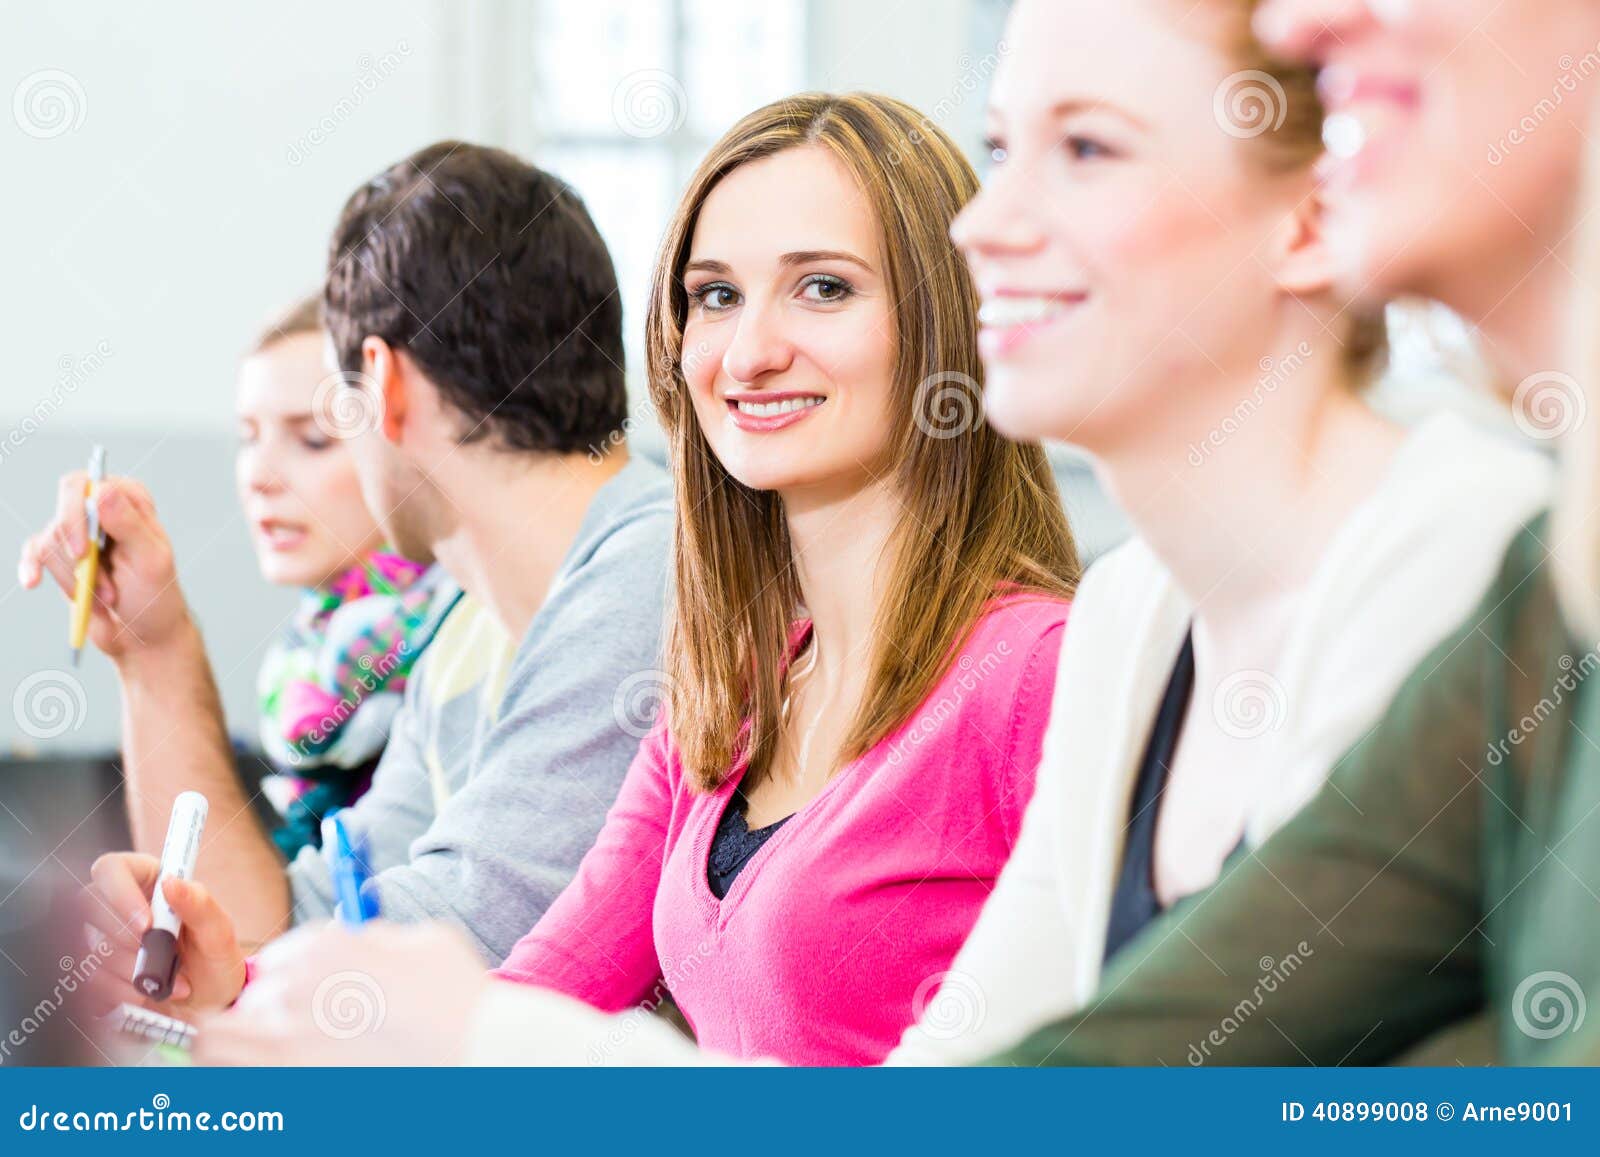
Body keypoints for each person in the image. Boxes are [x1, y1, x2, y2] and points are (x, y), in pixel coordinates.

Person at [196, 91, 1081, 1067]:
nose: (749, 352)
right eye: (715, 295)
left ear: (943, 323)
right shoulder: (731, 689)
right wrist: (234, 997)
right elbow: (531, 986)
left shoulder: (1039, 673)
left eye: (823, 287)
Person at [981, 0, 1600, 1065]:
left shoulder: (1467, 556)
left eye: (1086, 147)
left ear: (1310, 218)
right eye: (999, 149)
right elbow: (1076, 1074)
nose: (977, 222)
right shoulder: (1539, 601)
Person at [17, 141, 673, 1020]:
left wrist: (238, 984)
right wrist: (152, 649)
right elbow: (297, 920)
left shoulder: (644, 577)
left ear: (385, 387)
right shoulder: (466, 625)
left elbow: (457, 951)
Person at [238, 295, 458, 860]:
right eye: (248, 436)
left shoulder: (460, 641)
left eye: (312, 439)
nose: (259, 476)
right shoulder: (308, 657)